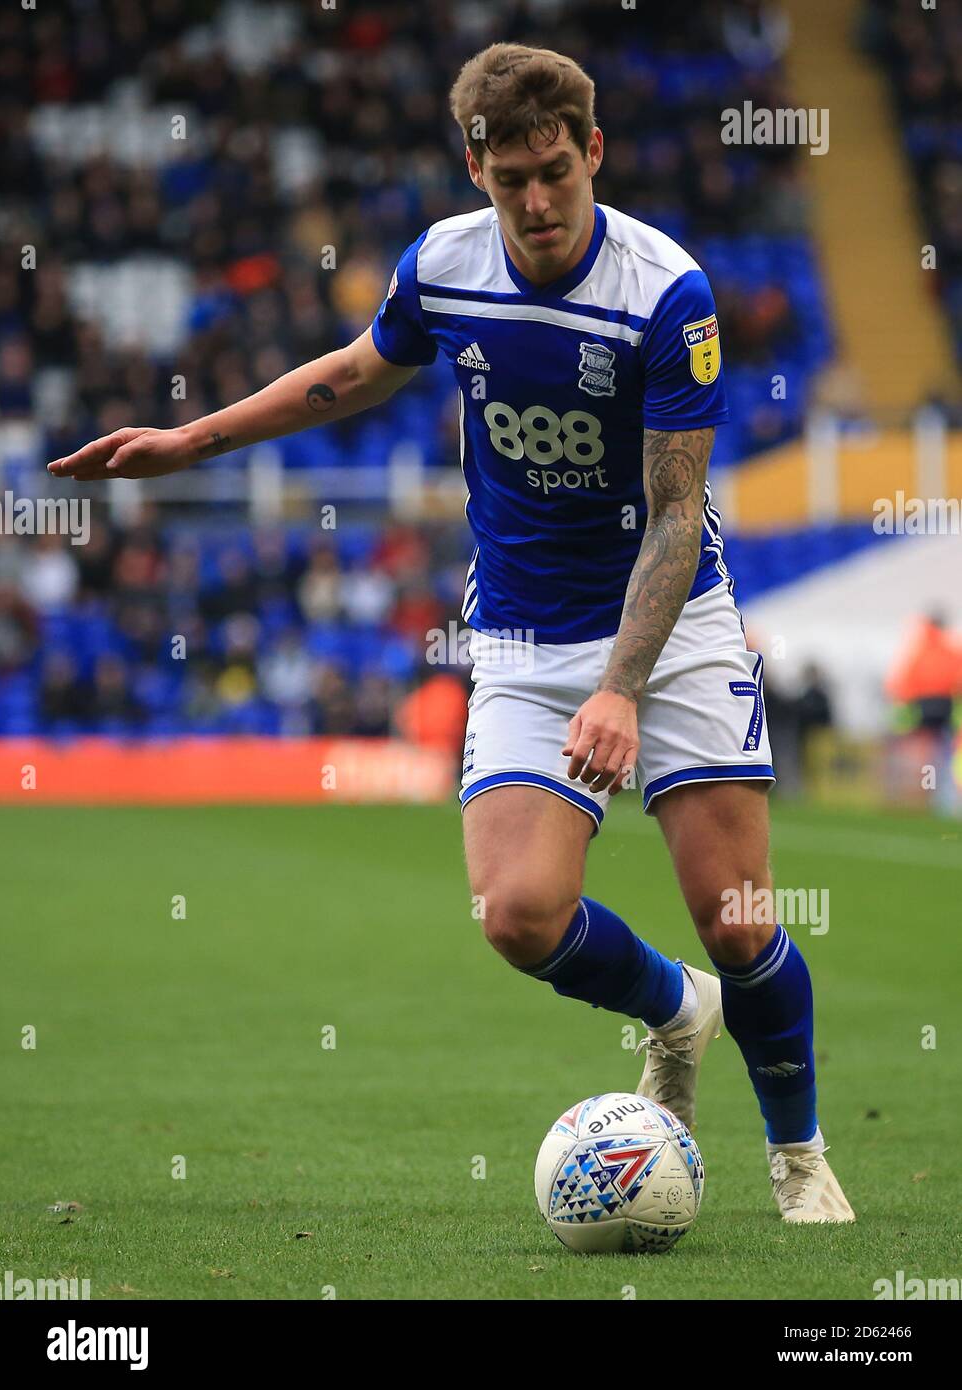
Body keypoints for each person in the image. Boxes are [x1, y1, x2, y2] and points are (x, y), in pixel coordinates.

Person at [47, 43, 853, 1224]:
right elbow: (355, 372)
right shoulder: (444, 264)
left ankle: (798, 1156)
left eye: (551, 174)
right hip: (524, 635)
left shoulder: (664, 292)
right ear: (470, 164)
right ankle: (674, 1012)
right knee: (517, 916)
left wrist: (623, 686)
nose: (531, 203)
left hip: (666, 624)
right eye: (505, 176)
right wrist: (189, 442)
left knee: (737, 919)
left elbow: (679, 511)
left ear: (592, 153)